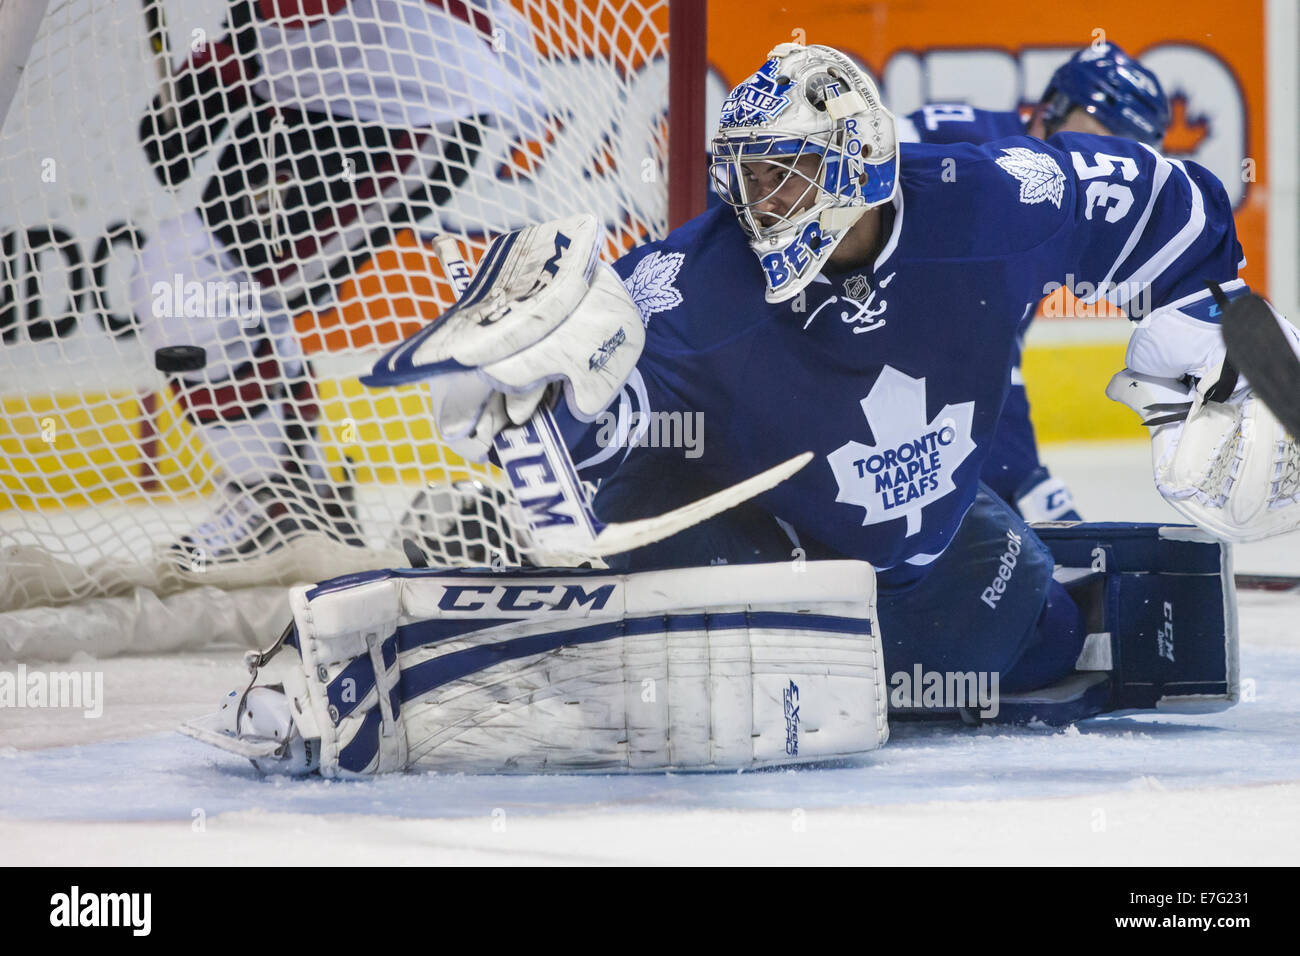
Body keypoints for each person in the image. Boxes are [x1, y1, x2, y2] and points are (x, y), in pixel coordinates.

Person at [194, 41, 1298, 775]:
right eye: (744, 180)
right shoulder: (695, 286)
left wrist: (1250, 370)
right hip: (749, 534)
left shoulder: (1004, 201)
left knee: (1025, 628)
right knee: (690, 567)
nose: (754, 207)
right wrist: (547, 425)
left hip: (938, 562)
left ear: (859, 164)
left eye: (781, 178)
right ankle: (541, 609)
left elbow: (1193, 218)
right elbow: (611, 405)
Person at [129, 0, 543, 568]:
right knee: (175, 272)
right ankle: (292, 492)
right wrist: (193, 96)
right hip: (306, 95)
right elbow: (221, 71)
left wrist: (214, 76)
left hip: (411, 94)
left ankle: (285, 498)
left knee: (218, 285)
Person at [897, 41, 1171, 521]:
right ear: (1051, 108)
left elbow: (993, 348)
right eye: (1103, 140)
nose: (1107, 165)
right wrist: (1028, 485)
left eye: (1129, 154)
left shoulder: (1075, 210)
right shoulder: (962, 137)